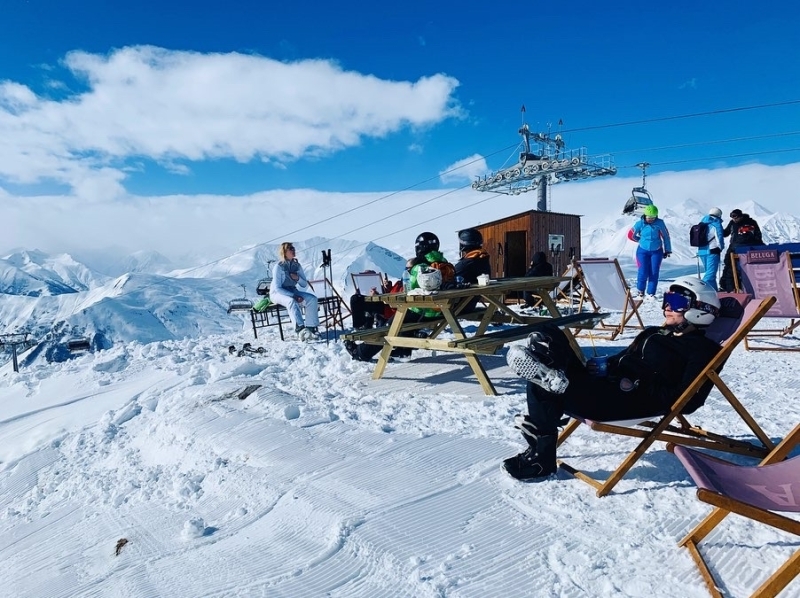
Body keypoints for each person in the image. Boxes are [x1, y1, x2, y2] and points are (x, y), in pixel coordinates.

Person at [502, 276, 721, 481]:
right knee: (549, 335)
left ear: (700, 309)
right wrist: (607, 363)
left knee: (545, 382)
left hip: (623, 400)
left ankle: (541, 457)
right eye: (667, 300)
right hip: (604, 383)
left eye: (676, 302)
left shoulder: (702, 350)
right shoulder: (656, 332)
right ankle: (551, 378)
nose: (667, 307)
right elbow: (626, 356)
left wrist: (638, 385)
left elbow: (689, 401)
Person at [344, 232, 450, 361]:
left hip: (420, 311)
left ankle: (361, 353)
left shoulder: (420, 268)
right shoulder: (445, 265)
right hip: (438, 311)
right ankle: (401, 348)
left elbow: (408, 291)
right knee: (390, 324)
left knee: (387, 329)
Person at [269, 242, 319, 338]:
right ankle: (300, 329)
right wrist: (294, 296)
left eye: (293, 248)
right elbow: (277, 288)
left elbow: (304, 284)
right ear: (284, 252)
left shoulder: (297, 266)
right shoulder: (279, 267)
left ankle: (311, 327)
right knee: (291, 301)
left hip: (292, 290)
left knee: (312, 299)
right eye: (290, 248)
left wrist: (297, 278)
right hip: (277, 293)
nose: (293, 250)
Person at [628, 204, 671, 299]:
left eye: (653, 217)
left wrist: (668, 250)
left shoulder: (660, 223)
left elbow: (666, 237)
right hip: (642, 251)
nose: (651, 219)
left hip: (656, 251)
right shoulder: (640, 224)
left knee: (654, 272)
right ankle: (640, 291)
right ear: (644, 215)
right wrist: (639, 240)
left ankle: (651, 293)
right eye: (648, 217)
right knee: (643, 271)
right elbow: (630, 235)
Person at [719, 208, 765, 292]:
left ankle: (739, 287)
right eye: (732, 217)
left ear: (740, 216)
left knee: (741, 268)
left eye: (736, 217)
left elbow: (758, 235)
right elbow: (726, 233)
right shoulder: (732, 223)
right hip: (733, 247)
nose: (734, 219)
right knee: (728, 266)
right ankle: (727, 287)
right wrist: (718, 227)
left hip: (747, 248)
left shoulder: (750, 222)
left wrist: (758, 246)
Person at [696, 207, 725, 290]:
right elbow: (719, 238)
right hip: (712, 251)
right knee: (710, 275)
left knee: (709, 273)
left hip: (701, 251)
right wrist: (721, 248)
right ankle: (703, 291)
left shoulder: (702, 222)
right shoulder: (716, 223)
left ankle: (714, 292)